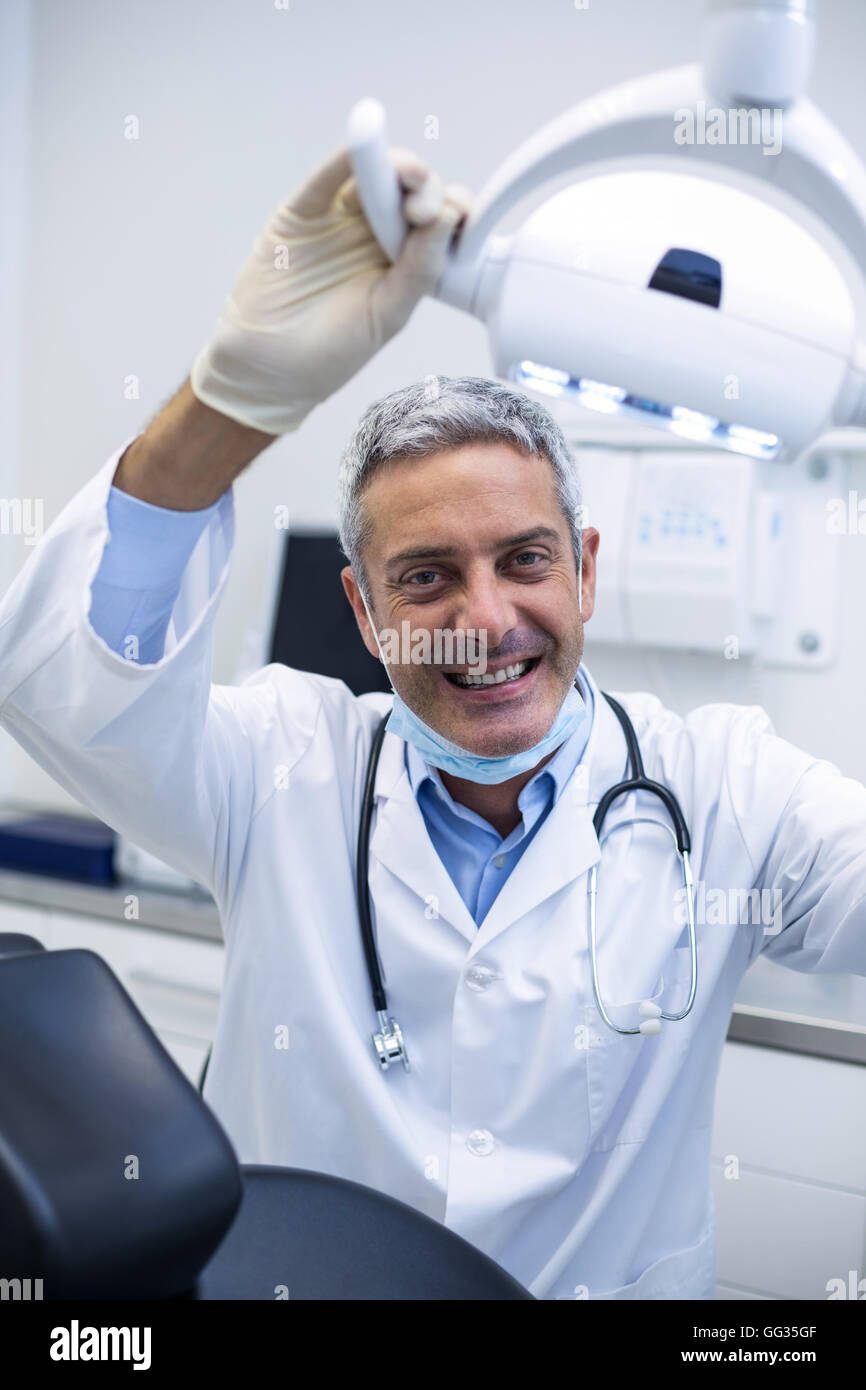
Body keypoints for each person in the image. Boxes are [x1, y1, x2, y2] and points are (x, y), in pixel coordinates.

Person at [0, 143, 864, 1302]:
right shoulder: (279, 766)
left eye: (523, 560)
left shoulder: (725, 789)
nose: (485, 620)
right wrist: (232, 400)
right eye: (424, 578)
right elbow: (74, 684)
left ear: (584, 572)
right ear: (360, 608)